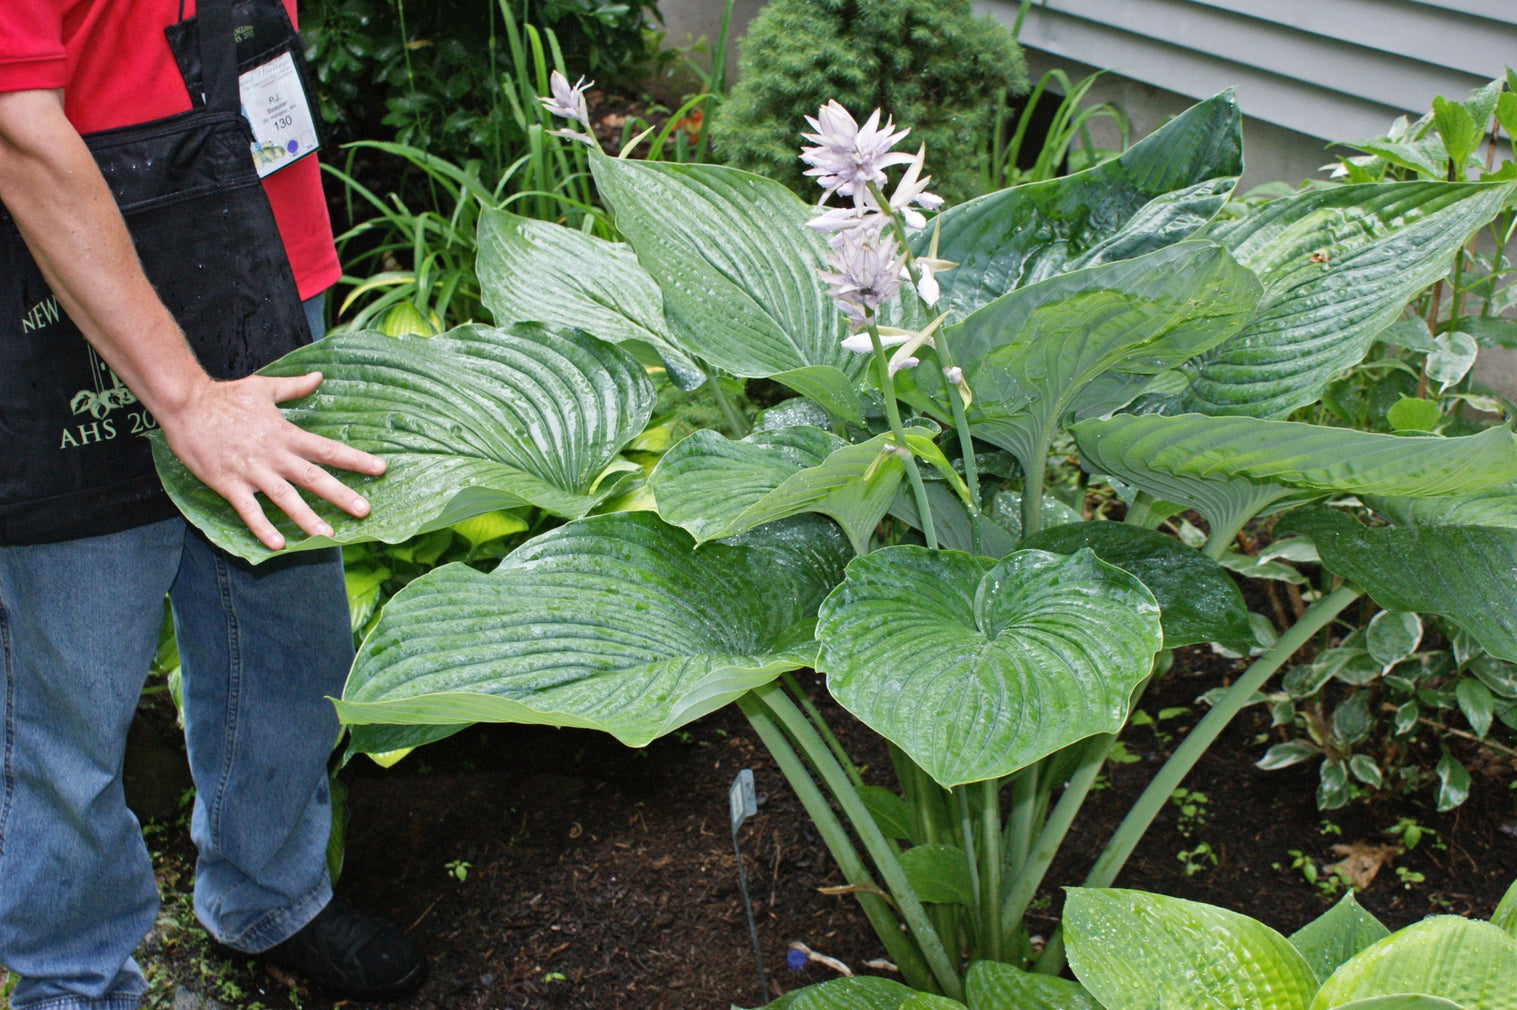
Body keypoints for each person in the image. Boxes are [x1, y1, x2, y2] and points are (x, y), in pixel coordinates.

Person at [0, 1, 426, 1007]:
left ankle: (270, 894)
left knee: (286, 630)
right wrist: (185, 396)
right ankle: (75, 977)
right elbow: (16, 122)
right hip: (68, 294)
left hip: (259, 248)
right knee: (73, 683)